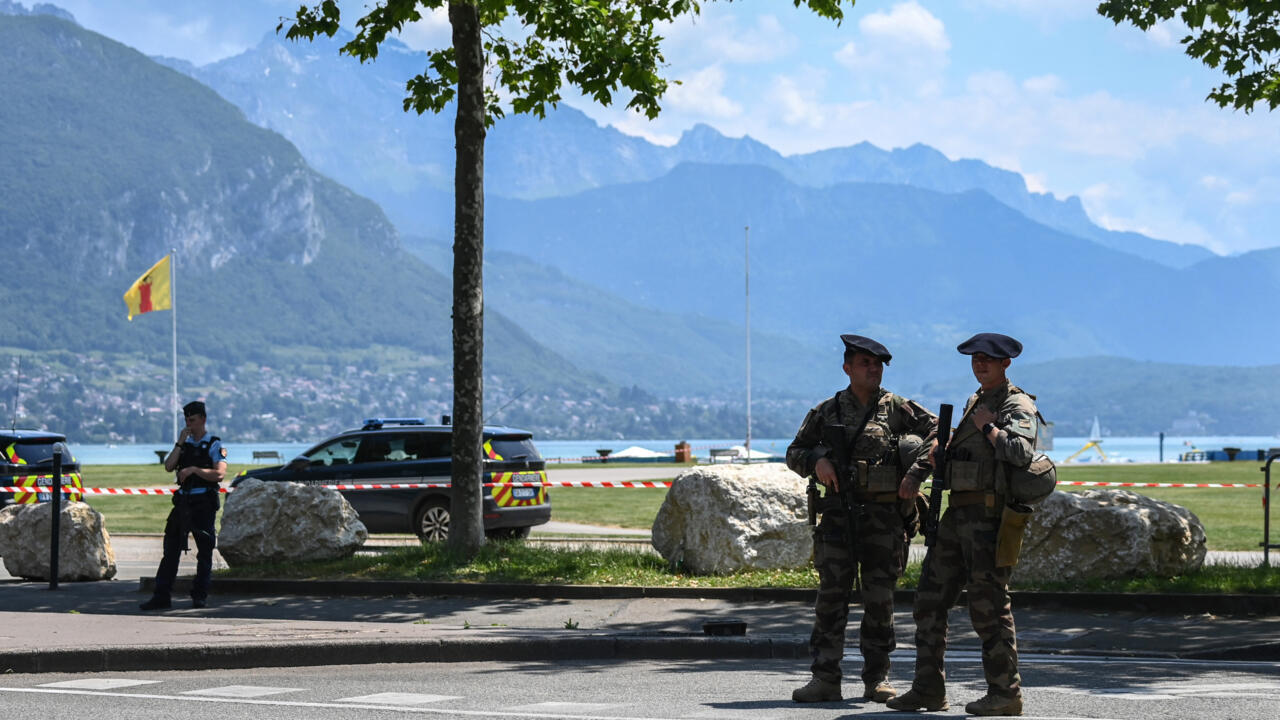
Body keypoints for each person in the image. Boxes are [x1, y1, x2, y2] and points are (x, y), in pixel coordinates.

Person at [888, 332, 1039, 716]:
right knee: (928, 600)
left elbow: (1022, 452)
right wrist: (923, 467)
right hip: (958, 516)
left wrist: (990, 427)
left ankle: (1005, 694)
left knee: (988, 607)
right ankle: (927, 688)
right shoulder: (977, 400)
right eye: (975, 358)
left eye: (988, 359)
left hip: (989, 519)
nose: (980, 364)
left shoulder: (1014, 403)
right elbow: (951, 448)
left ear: (1006, 363)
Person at [787, 334, 937, 704]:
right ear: (847, 368)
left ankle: (877, 678)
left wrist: (915, 473)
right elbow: (794, 451)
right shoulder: (829, 411)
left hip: (885, 518)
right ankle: (825, 678)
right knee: (831, 600)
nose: (873, 369)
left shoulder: (898, 408)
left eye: (878, 364)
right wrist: (816, 462)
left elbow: (939, 434)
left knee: (880, 601)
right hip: (838, 517)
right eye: (865, 363)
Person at [140, 400, 226, 610]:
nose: (189, 424)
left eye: (193, 420)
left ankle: (200, 595)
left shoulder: (214, 444)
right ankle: (162, 596)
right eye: (187, 420)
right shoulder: (184, 444)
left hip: (203, 503)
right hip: (183, 502)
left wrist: (194, 470)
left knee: (204, 551)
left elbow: (220, 473)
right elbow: (169, 466)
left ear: (203, 420)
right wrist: (180, 442)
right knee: (170, 550)